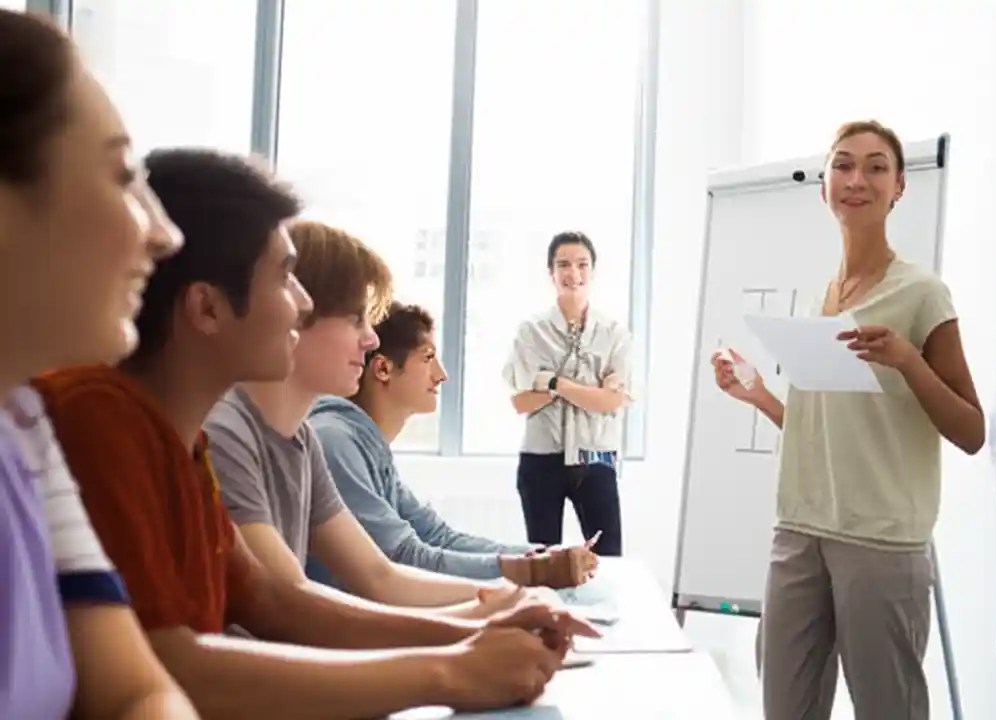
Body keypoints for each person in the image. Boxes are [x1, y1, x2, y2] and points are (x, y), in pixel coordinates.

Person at [34, 147, 596, 718]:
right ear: (206, 308)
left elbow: (271, 598)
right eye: (285, 279)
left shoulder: (184, 441)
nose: (300, 305)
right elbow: (170, 665)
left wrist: (472, 634)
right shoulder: (103, 417)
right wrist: (450, 665)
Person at [710, 120, 984, 720]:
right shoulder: (820, 297)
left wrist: (908, 359)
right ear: (825, 184)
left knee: (888, 709)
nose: (857, 179)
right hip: (800, 528)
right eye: (843, 164)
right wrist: (759, 396)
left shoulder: (922, 294)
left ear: (899, 188)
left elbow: (971, 430)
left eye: (876, 166)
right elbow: (825, 431)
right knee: (785, 708)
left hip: (880, 541)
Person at [0, 9, 198, 718]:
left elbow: (138, 690)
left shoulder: (22, 423)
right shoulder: (91, 414)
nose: (164, 233)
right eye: (121, 177)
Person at [205, 219, 555, 615]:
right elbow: (291, 604)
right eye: (357, 319)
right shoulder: (239, 433)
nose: (370, 339)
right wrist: (486, 617)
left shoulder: (303, 440)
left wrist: (507, 600)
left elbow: (380, 576)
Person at [309, 301, 599, 588]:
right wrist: (535, 571)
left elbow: (438, 537)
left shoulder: (366, 445)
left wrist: (541, 555)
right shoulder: (336, 443)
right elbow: (404, 558)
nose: (441, 375)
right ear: (383, 369)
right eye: (428, 358)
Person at [504, 231, 635, 557]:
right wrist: (591, 391)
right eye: (563, 264)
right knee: (543, 561)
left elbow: (612, 401)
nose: (572, 273)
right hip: (541, 458)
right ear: (551, 272)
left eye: (581, 264)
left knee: (609, 557)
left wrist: (555, 384)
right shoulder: (531, 331)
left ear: (593, 271)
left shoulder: (614, 332)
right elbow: (521, 401)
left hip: (596, 457)